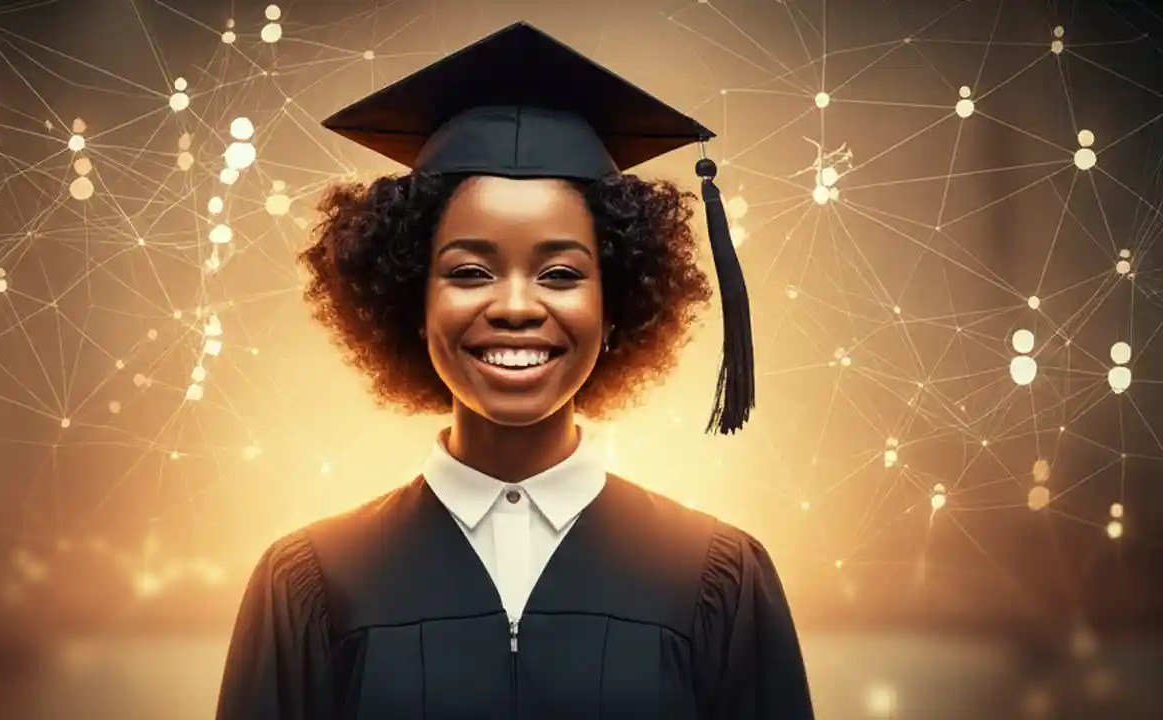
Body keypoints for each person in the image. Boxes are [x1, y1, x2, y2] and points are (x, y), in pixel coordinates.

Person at [216, 21, 814, 720]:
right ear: (410, 300)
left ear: (616, 303)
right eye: (470, 272)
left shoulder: (717, 579)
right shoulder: (313, 585)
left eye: (561, 273)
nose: (516, 306)